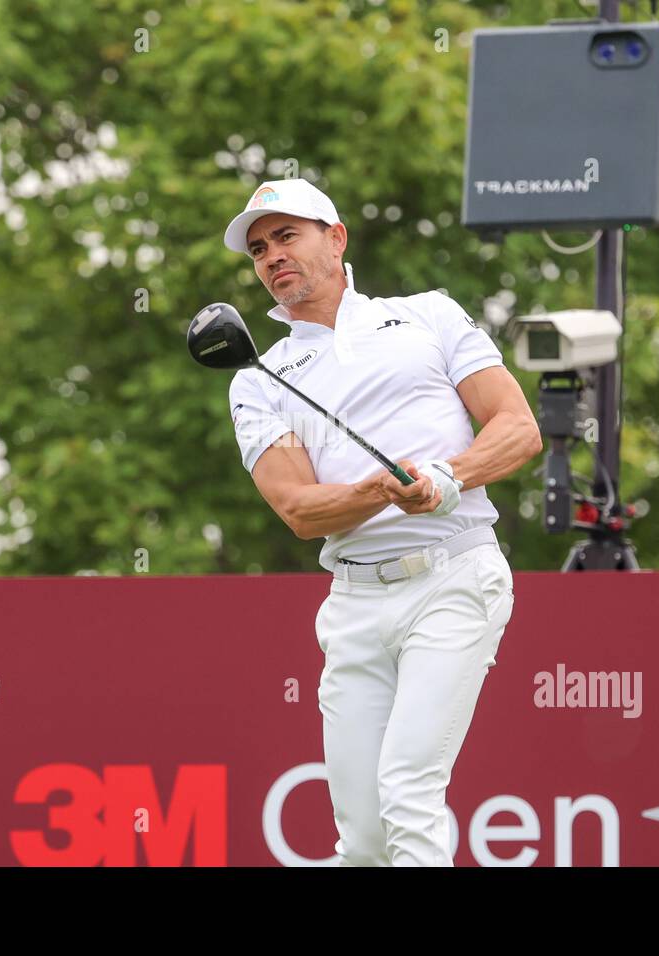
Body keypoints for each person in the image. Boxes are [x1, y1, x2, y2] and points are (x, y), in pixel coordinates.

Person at [223, 178, 543, 866]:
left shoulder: (428, 314)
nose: (272, 256)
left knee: (407, 788)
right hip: (356, 606)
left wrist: (448, 478)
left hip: (453, 578)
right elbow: (298, 510)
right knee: (365, 841)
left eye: (287, 236)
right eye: (258, 249)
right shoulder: (258, 375)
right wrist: (378, 490)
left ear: (335, 238)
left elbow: (517, 429)